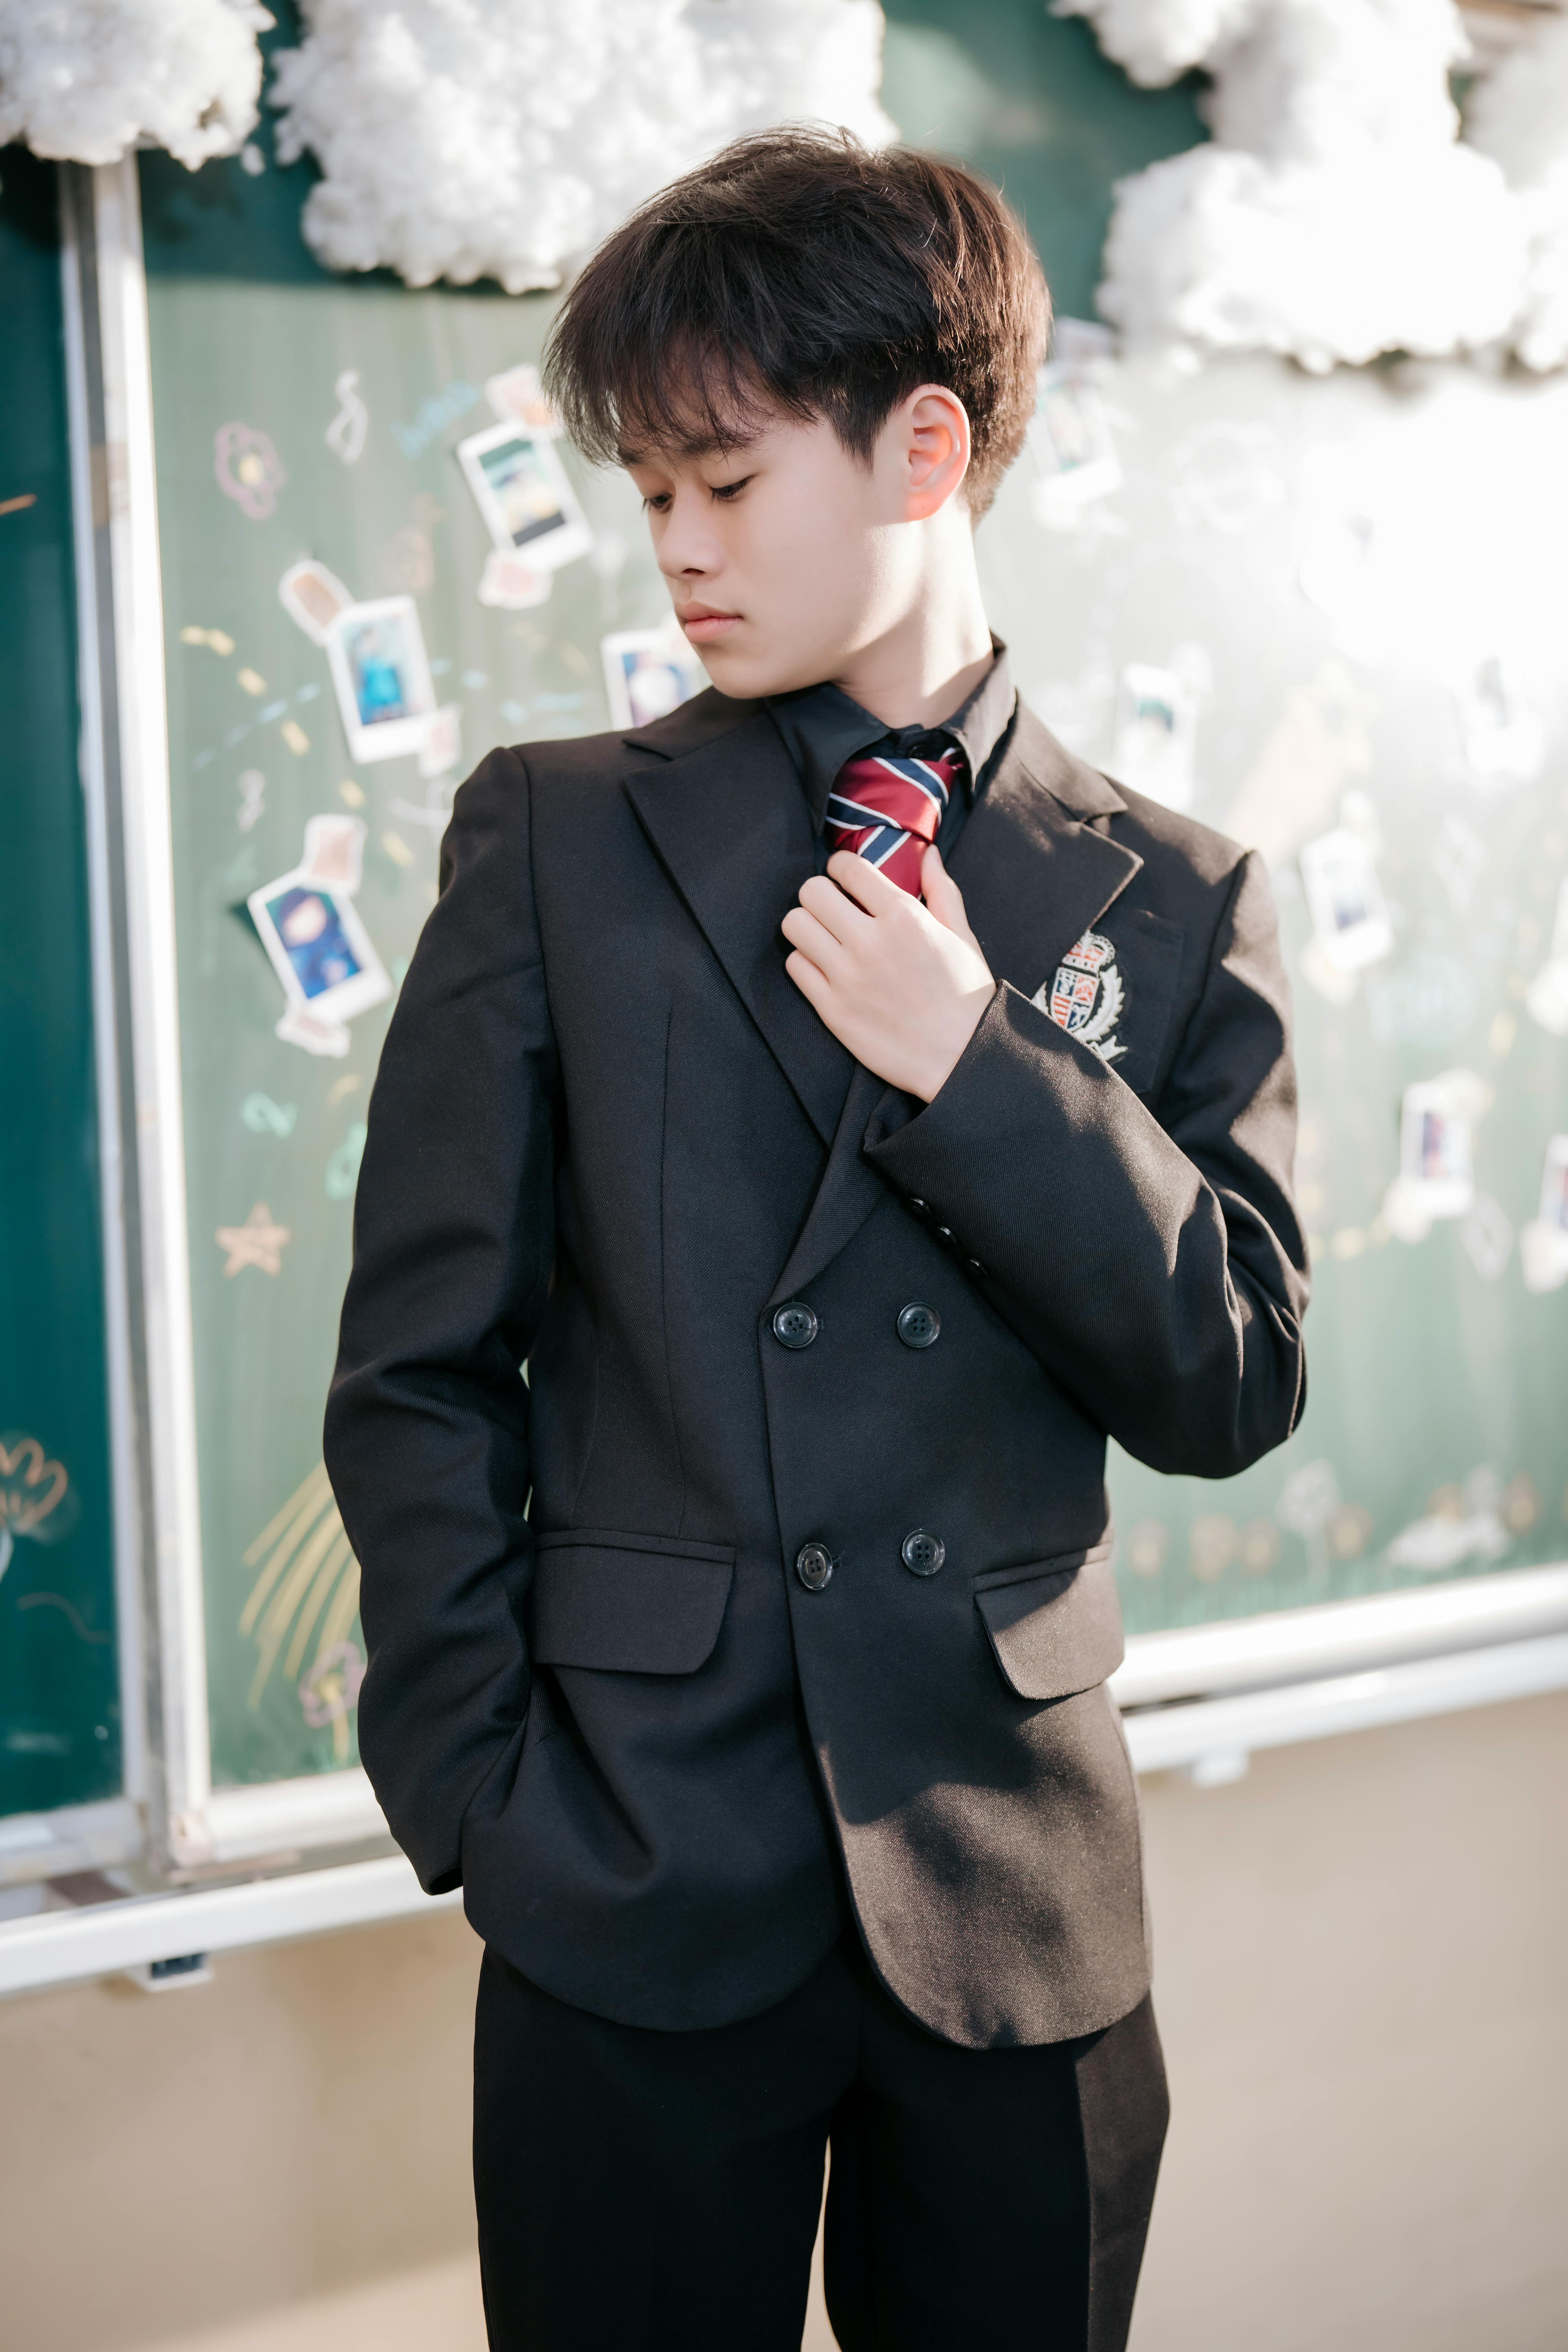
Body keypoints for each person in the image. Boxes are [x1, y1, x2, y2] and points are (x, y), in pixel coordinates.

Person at [325, 129, 1307, 2352]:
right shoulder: (560, 838)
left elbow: (1234, 1379)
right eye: (647, 491)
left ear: (923, 446)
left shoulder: (1173, 891)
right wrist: (488, 1801)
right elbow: (414, 1373)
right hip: (628, 1881)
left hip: (1022, 1895)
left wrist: (986, 1068)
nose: (673, 547)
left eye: (722, 482)